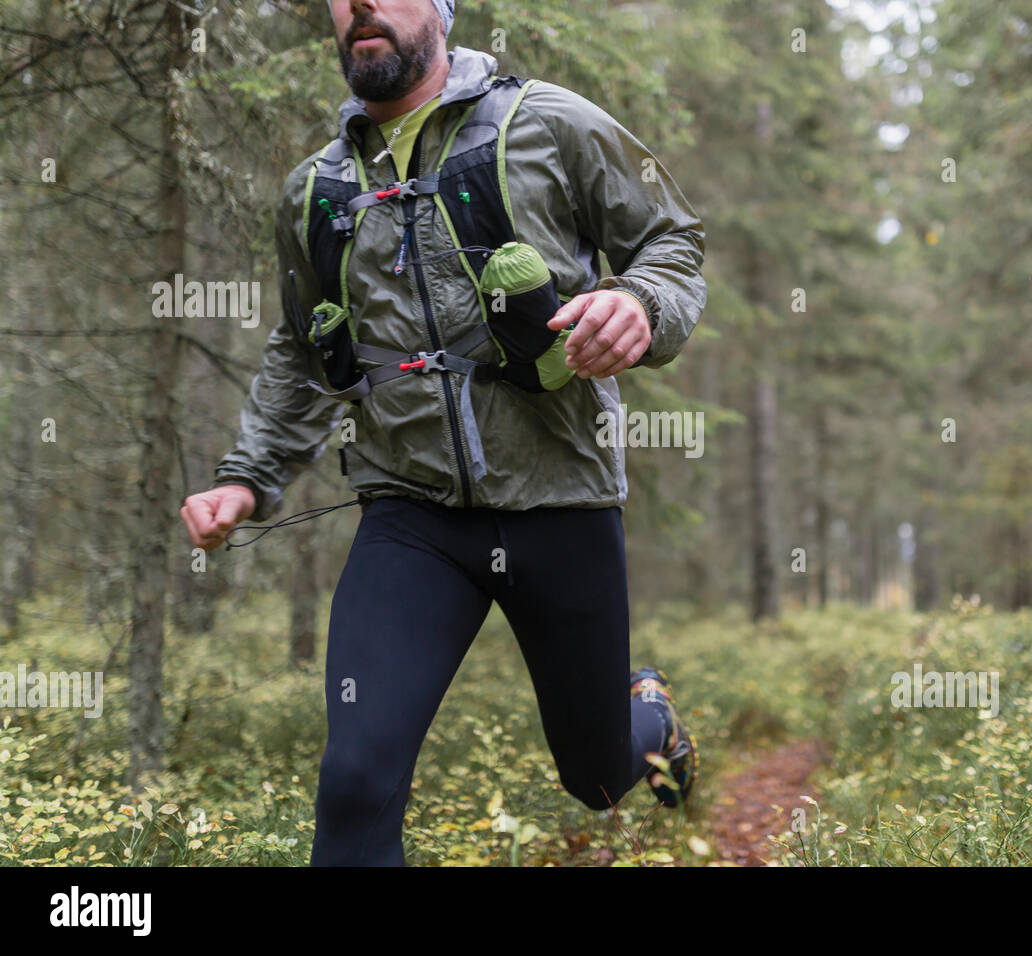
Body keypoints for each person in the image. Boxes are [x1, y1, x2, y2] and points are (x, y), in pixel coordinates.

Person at [178, 0, 706, 866]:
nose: (361, 6)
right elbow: (302, 345)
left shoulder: (551, 124)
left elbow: (672, 242)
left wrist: (639, 303)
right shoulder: (316, 190)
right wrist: (248, 475)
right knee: (355, 778)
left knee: (603, 778)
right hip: (411, 515)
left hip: (559, 495)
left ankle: (647, 710)